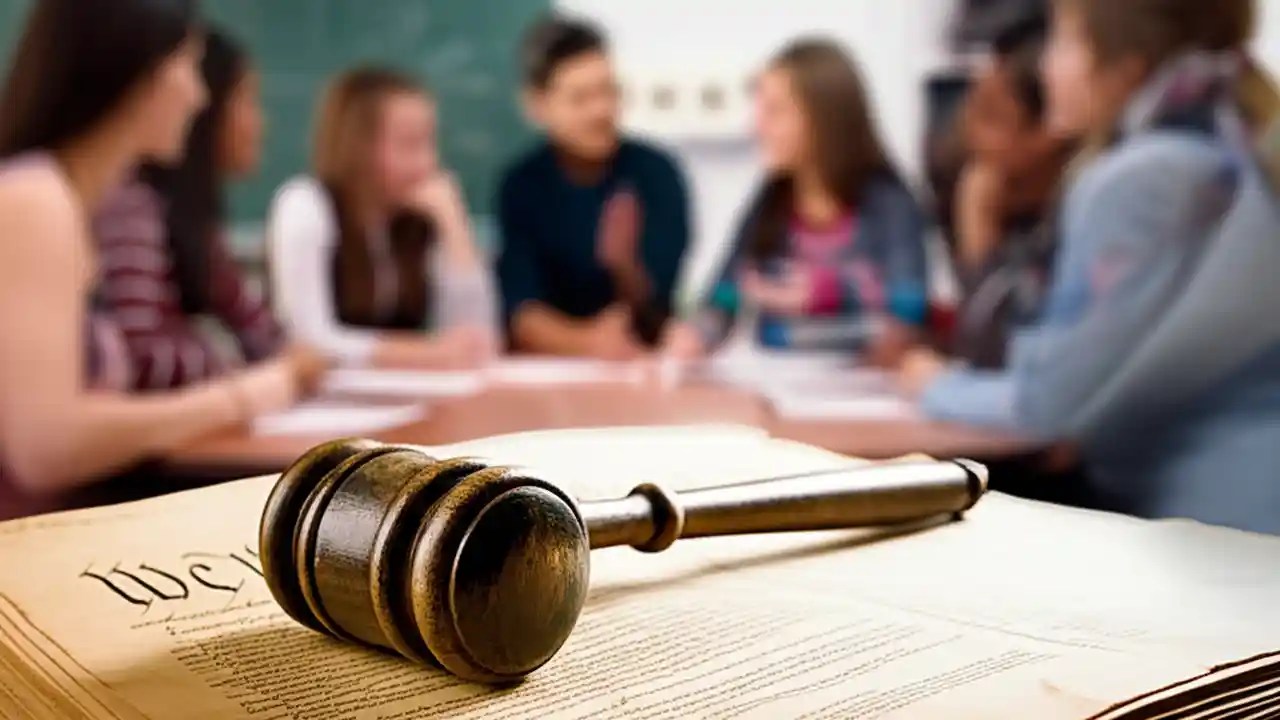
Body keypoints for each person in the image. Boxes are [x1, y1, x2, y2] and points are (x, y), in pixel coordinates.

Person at [900, 0, 1280, 533]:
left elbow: (1049, 406)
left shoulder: (1144, 179)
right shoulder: (1226, 144)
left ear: (1126, 65)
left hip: (1218, 529)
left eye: (1063, 40)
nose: (1047, 65)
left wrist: (934, 383)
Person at [0, 0, 318, 516]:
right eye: (187, 66)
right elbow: (45, 448)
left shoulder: (75, 202)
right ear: (133, 71)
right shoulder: (34, 199)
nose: (197, 96)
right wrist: (247, 395)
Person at [664, 39, 928, 364]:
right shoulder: (771, 199)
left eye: (775, 111)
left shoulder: (888, 202)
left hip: (866, 385)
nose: (756, 126)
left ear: (824, 119)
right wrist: (696, 335)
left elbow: (909, 306)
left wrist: (826, 293)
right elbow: (726, 293)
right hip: (780, 378)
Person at [94, 29, 291, 389]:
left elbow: (267, 337)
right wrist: (239, 372)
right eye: (247, 99)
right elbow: (139, 354)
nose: (260, 122)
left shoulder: (191, 221)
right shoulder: (128, 205)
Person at [268, 68, 497, 369]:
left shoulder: (422, 216)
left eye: (430, 142)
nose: (428, 162)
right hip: (328, 400)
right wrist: (423, 353)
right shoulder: (306, 205)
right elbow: (308, 339)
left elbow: (476, 340)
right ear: (358, 147)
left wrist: (455, 228)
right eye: (410, 144)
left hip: (405, 397)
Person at [497, 16, 692, 359]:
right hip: (547, 370)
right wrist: (585, 342)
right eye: (581, 98)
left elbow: (657, 306)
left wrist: (624, 266)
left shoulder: (655, 172)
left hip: (641, 364)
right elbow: (520, 308)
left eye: (609, 91)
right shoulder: (522, 184)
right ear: (537, 105)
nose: (601, 110)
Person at [950, 14, 1074, 369]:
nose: (968, 132)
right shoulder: (996, 193)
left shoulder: (1075, 216)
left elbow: (999, 351)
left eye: (992, 118)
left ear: (1050, 133)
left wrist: (979, 226)